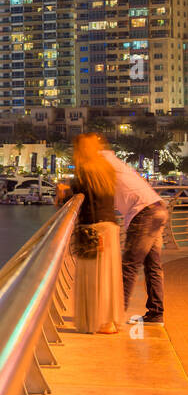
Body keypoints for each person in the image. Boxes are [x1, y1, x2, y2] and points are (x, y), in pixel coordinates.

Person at [84, 136, 167, 325]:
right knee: (153, 266)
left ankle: (113, 317)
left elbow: (90, 188)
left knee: (129, 265)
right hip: (158, 208)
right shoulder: (111, 161)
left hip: (144, 212)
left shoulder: (101, 161)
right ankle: (156, 313)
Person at [56, 136, 122, 334]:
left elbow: (81, 197)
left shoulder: (84, 171)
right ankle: (109, 321)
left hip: (92, 229)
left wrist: (63, 192)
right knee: (107, 277)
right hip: (109, 226)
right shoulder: (105, 170)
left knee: (92, 278)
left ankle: (95, 322)